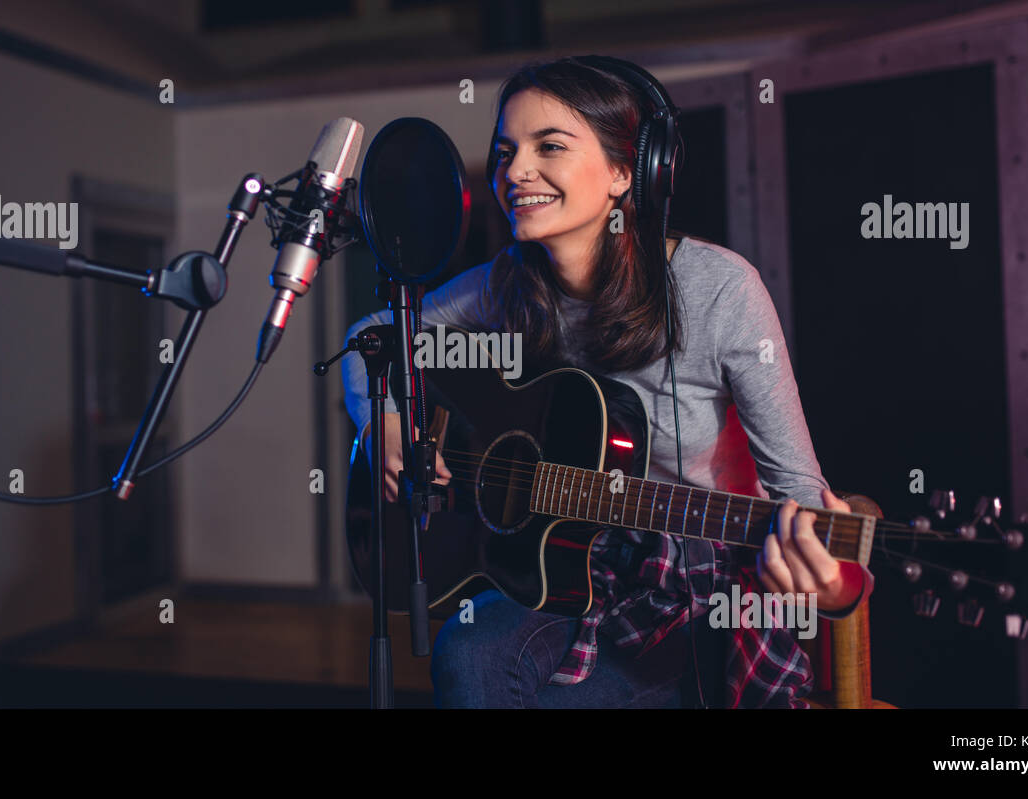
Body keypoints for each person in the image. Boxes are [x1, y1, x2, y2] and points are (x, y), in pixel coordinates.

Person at [340, 56, 873, 708]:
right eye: (506, 152)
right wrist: (384, 415)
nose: (515, 172)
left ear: (629, 173)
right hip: (569, 564)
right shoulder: (510, 281)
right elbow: (370, 336)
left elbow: (804, 500)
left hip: (696, 590)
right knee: (466, 651)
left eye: (550, 146)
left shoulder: (720, 290)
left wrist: (833, 585)